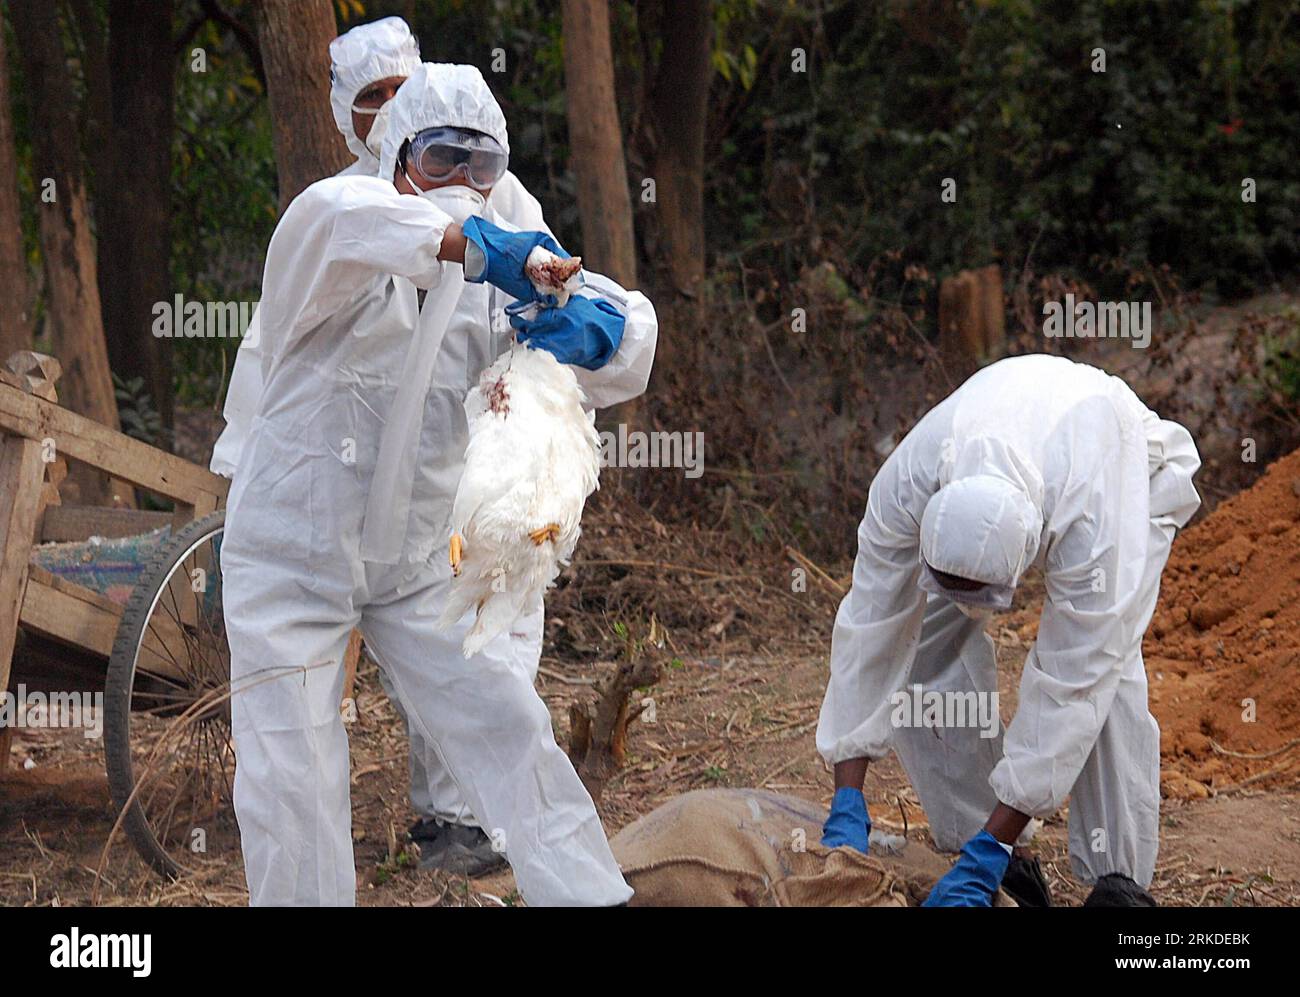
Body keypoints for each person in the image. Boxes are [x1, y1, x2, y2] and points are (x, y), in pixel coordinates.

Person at [220, 61, 655, 906]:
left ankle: (591, 897)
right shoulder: (330, 227)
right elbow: (366, 223)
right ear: (392, 156)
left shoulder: (495, 271)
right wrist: (474, 244)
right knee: (293, 778)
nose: (461, 184)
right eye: (440, 158)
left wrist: (604, 332)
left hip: (415, 562)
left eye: (481, 166)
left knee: (509, 728)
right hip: (292, 561)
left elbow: (618, 325)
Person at [815, 354, 1200, 907]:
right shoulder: (907, 486)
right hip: (1023, 436)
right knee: (924, 643)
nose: (960, 602)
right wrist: (846, 796)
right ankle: (999, 858)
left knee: (1108, 672)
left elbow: (1073, 683)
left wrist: (991, 845)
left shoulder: (1096, 529)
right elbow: (870, 625)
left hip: (1128, 467)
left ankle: (1116, 878)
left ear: (1021, 564)